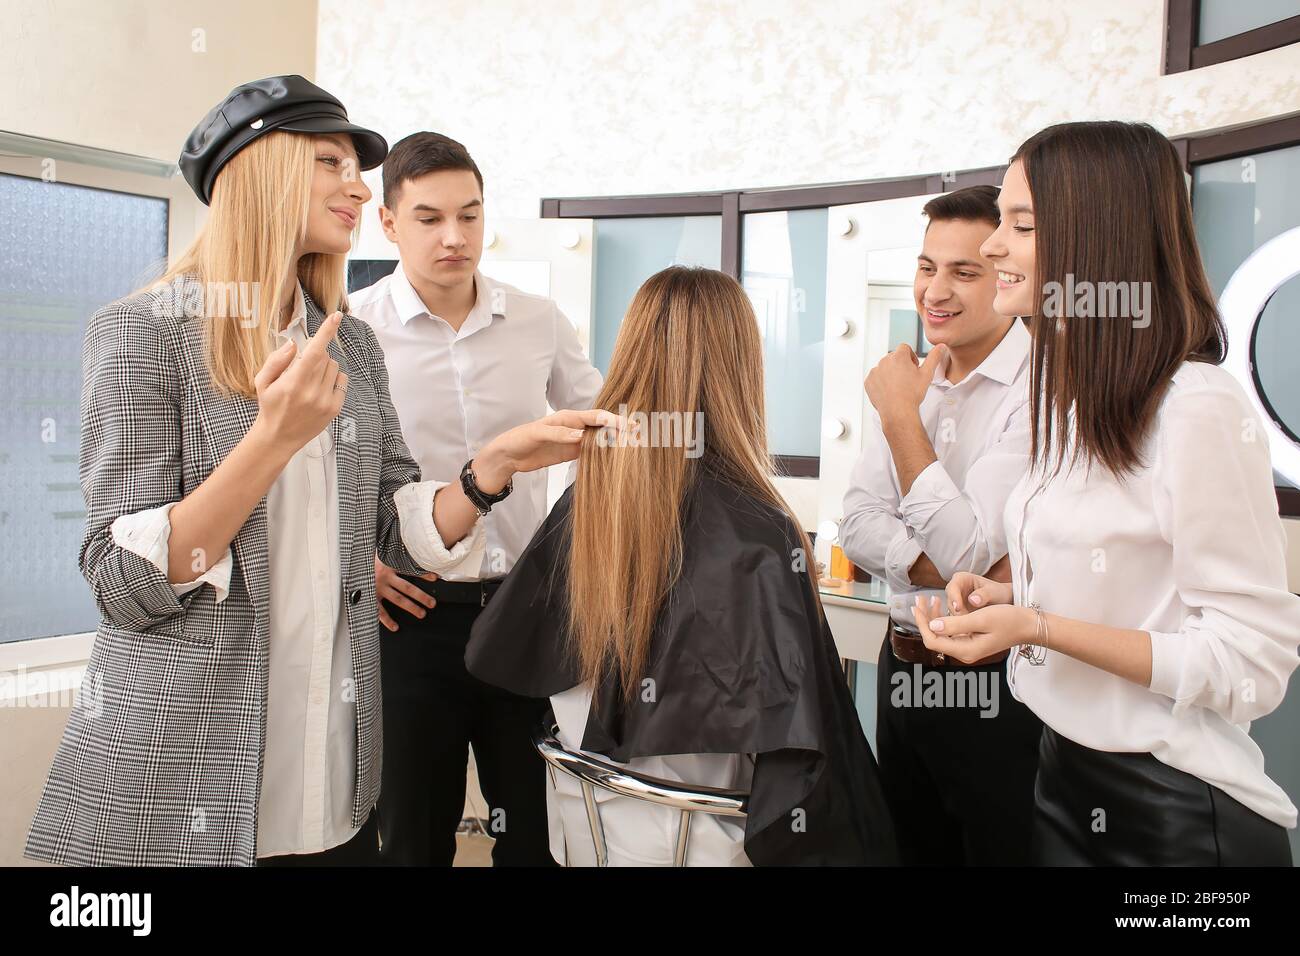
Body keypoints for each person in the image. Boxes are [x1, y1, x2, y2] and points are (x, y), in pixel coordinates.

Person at [23, 75, 615, 867]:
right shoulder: (143, 333)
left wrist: (489, 469)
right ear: (262, 171)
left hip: (334, 790)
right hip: (190, 778)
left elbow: (396, 535)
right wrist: (272, 439)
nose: (357, 186)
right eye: (331, 162)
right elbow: (123, 583)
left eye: (356, 168)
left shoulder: (351, 348)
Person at [914, 120, 1299, 866]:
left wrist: (1039, 628)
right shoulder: (1078, 405)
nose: (993, 244)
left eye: (1020, 224)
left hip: (1174, 817)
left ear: (1097, 244)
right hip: (1063, 778)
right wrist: (1017, 603)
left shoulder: (1195, 405)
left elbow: (1251, 663)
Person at [466, 266, 898, 866]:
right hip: (708, 843)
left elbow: (516, 656)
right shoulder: (765, 534)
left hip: (589, 833)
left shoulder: (589, 507)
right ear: (741, 371)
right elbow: (806, 761)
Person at [350, 131, 602, 866]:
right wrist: (357, 562)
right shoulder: (350, 331)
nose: (455, 237)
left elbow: (604, 437)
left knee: (535, 834)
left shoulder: (538, 321)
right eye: (429, 218)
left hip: (526, 611)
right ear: (389, 224)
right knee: (413, 838)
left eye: (470, 214)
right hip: (409, 617)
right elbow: (310, 475)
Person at [839, 185, 1042, 865]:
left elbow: (969, 541)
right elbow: (858, 522)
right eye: (928, 267)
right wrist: (950, 569)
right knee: (904, 851)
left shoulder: (1041, 389)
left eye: (964, 272)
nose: (937, 291)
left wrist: (900, 418)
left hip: (995, 680)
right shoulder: (916, 374)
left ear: (1006, 277)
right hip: (902, 662)